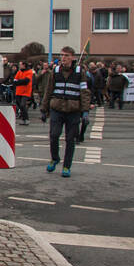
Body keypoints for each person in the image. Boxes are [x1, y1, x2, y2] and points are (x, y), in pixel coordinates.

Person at [43, 46, 90, 177]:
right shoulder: (56, 70)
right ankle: (55, 158)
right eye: (62, 55)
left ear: (72, 57)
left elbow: (84, 92)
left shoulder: (80, 72)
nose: (63, 58)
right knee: (54, 135)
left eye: (66, 55)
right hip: (57, 108)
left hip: (73, 109)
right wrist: (44, 108)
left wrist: (85, 111)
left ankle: (66, 166)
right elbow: (49, 90)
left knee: (70, 139)